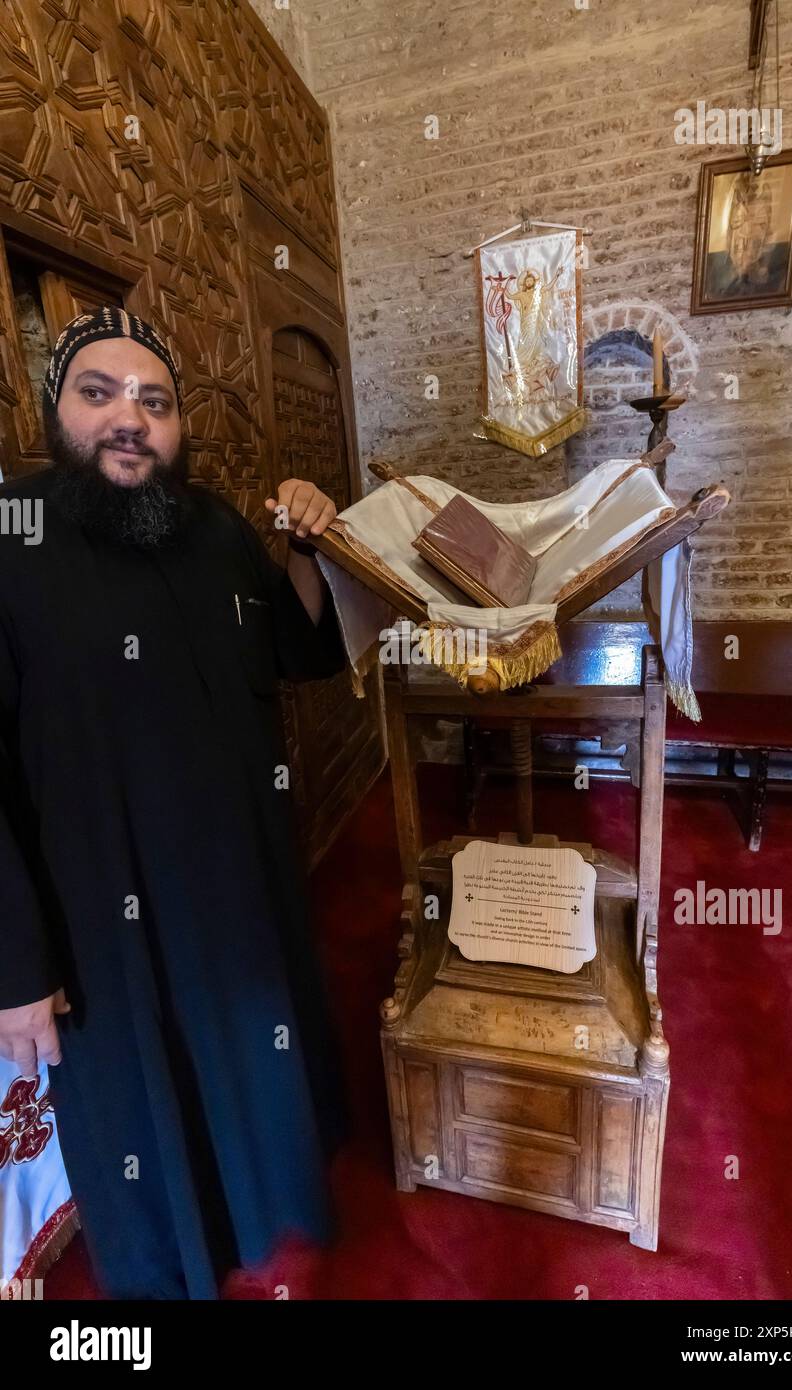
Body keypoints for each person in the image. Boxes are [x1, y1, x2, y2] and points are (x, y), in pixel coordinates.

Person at [0, 306, 349, 1299]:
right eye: (99, 393)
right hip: (100, 921)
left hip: (237, 892)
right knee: (144, 1143)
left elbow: (296, 650)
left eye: (154, 401)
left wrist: (304, 549)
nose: (130, 419)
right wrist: (15, 961)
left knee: (251, 1098)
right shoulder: (8, 537)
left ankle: (260, 1231)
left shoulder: (218, 529)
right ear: (54, 412)